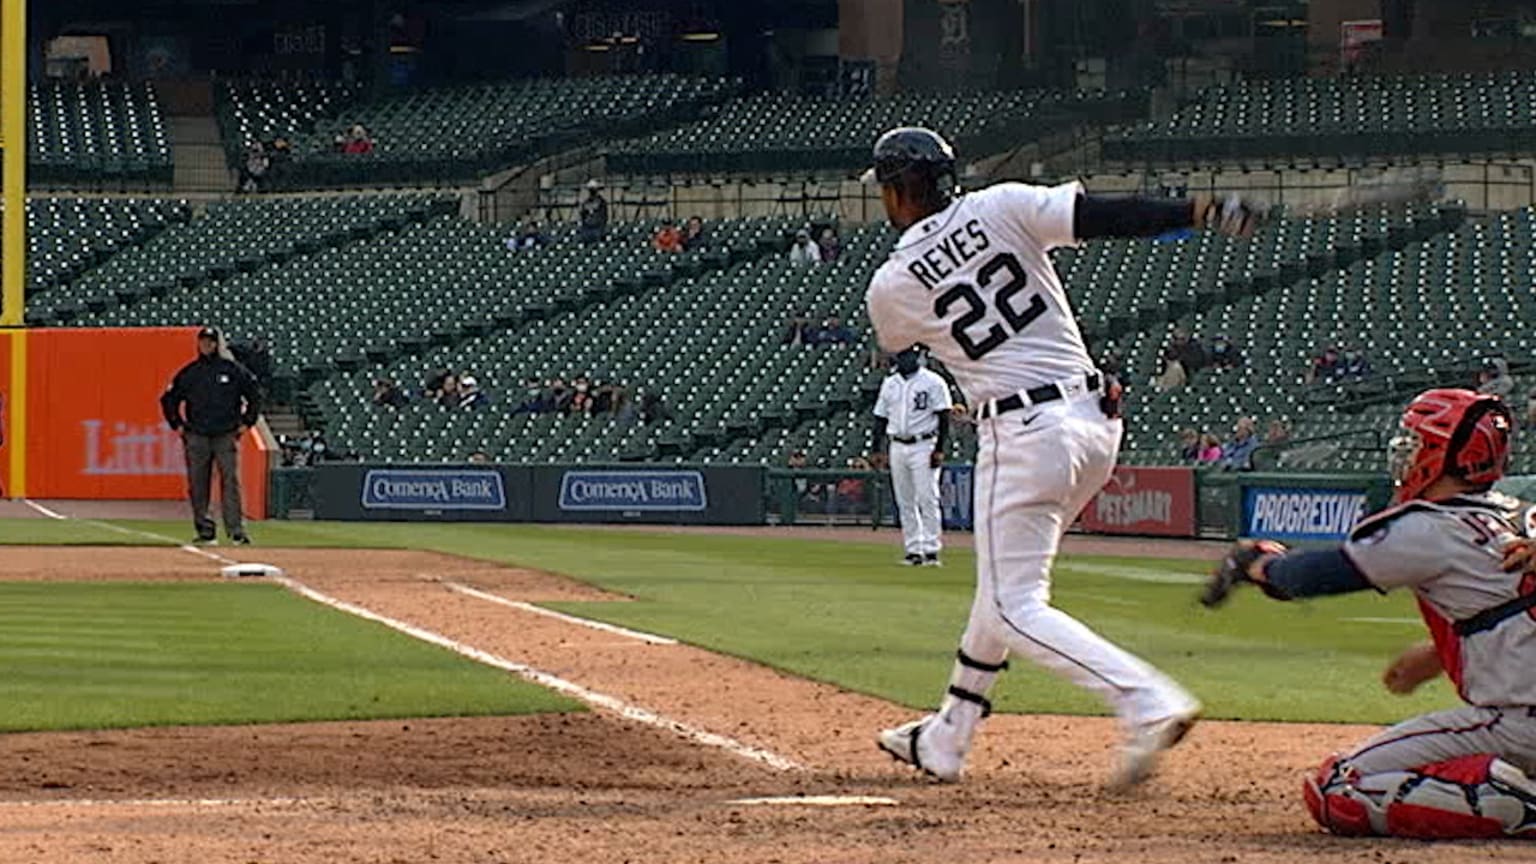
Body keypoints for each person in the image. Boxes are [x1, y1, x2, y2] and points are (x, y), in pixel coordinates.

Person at [863, 126, 1262, 788]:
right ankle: (946, 738)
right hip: (1094, 421)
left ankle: (1145, 700)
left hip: (1024, 434)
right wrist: (1197, 209)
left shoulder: (892, 284)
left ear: (898, 191)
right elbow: (1106, 214)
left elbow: (907, 334)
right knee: (1002, 590)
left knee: (1017, 604)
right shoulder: (1002, 204)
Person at [1199, 389, 1536, 840]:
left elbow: (1314, 575)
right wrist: (1436, 654)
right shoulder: (1518, 517)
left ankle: (1520, 808)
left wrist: (1259, 563)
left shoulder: (1430, 526)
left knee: (1338, 788)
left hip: (1518, 726)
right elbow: (1506, 612)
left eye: (1417, 443)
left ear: (1443, 453)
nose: (1406, 454)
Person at [159, 327, 262, 546]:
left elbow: (254, 395)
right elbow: (169, 399)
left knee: (230, 481)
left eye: (211, 342)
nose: (207, 345)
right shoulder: (191, 372)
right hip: (197, 434)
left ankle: (236, 530)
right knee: (198, 483)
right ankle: (205, 529)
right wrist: (177, 424)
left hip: (226, 434)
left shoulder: (233, 370)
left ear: (217, 344)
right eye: (203, 341)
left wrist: (247, 422)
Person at [873, 346, 954, 566]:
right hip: (897, 443)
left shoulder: (933, 381)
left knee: (927, 497)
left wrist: (939, 448)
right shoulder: (890, 383)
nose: (905, 359)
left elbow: (944, 416)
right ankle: (913, 549)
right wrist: (876, 449)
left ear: (918, 356)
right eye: (902, 355)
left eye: (910, 355)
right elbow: (880, 418)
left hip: (924, 443)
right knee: (905, 499)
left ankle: (931, 549)